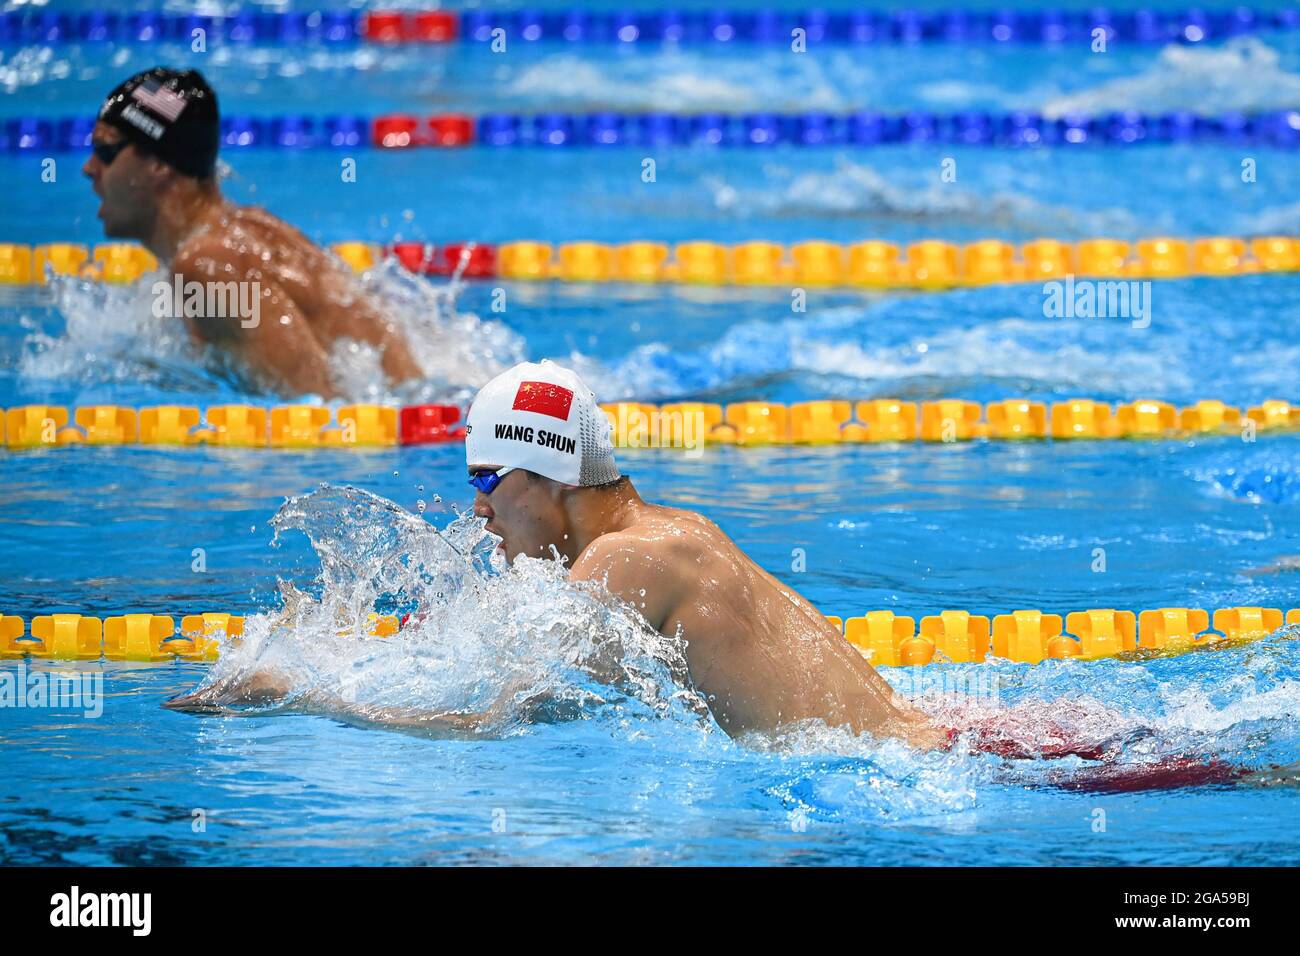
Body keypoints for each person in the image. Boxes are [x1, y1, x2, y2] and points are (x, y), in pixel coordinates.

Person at [84, 66, 421, 397]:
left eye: (106, 152)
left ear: (158, 164)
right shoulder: (246, 229)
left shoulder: (206, 266)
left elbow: (317, 408)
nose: (89, 169)